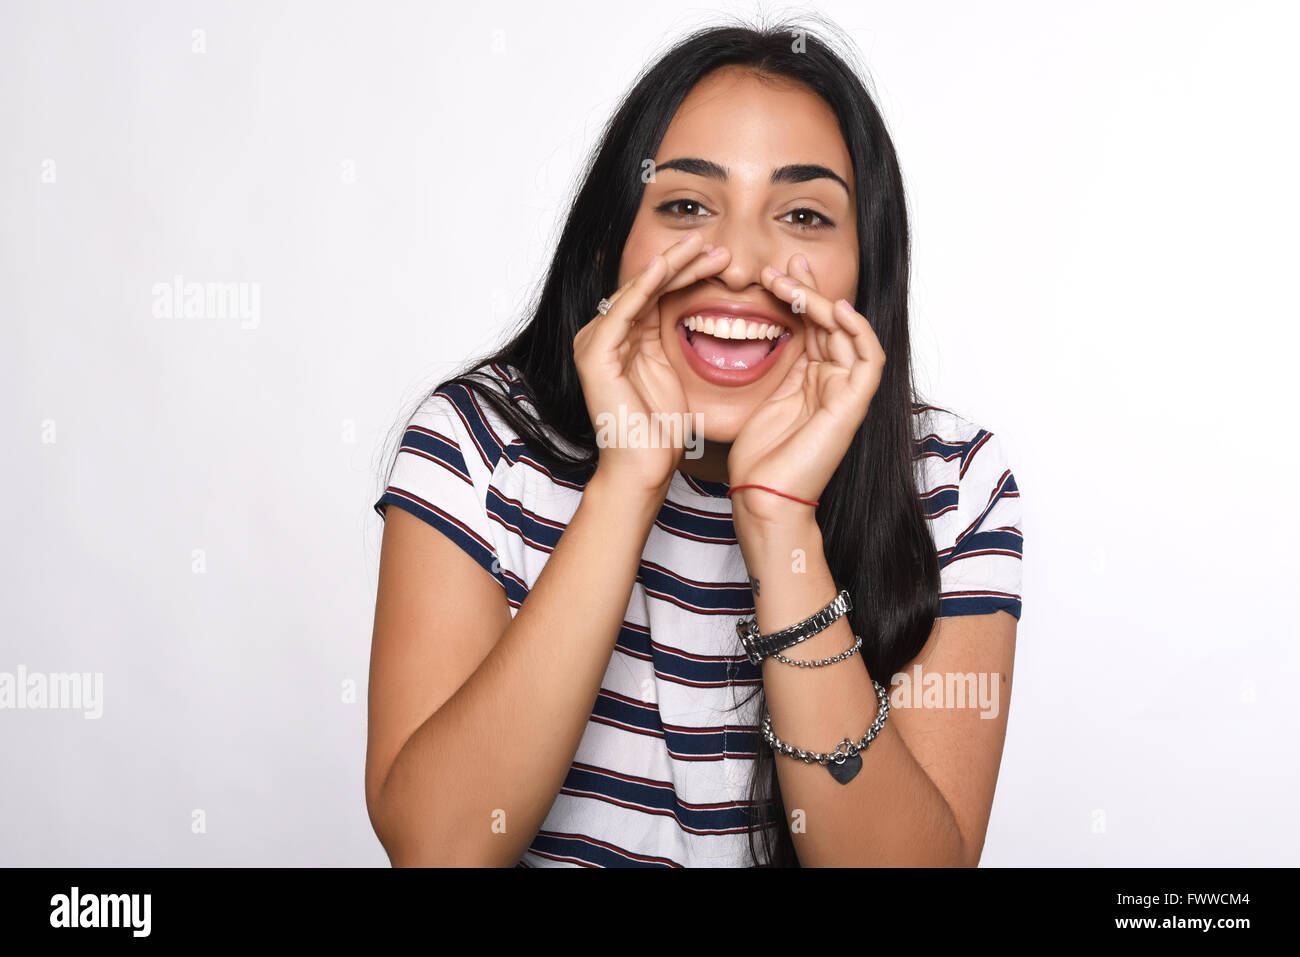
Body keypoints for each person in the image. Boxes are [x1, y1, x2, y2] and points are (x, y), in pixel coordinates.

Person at [364, 17, 1023, 867]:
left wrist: (781, 521)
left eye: (803, 214)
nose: (743, 264)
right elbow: (441, 848)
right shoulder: (477, 444)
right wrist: (628, 481)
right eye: (685, 204)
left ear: (866, 265)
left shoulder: (955, 485)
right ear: (611, 247)